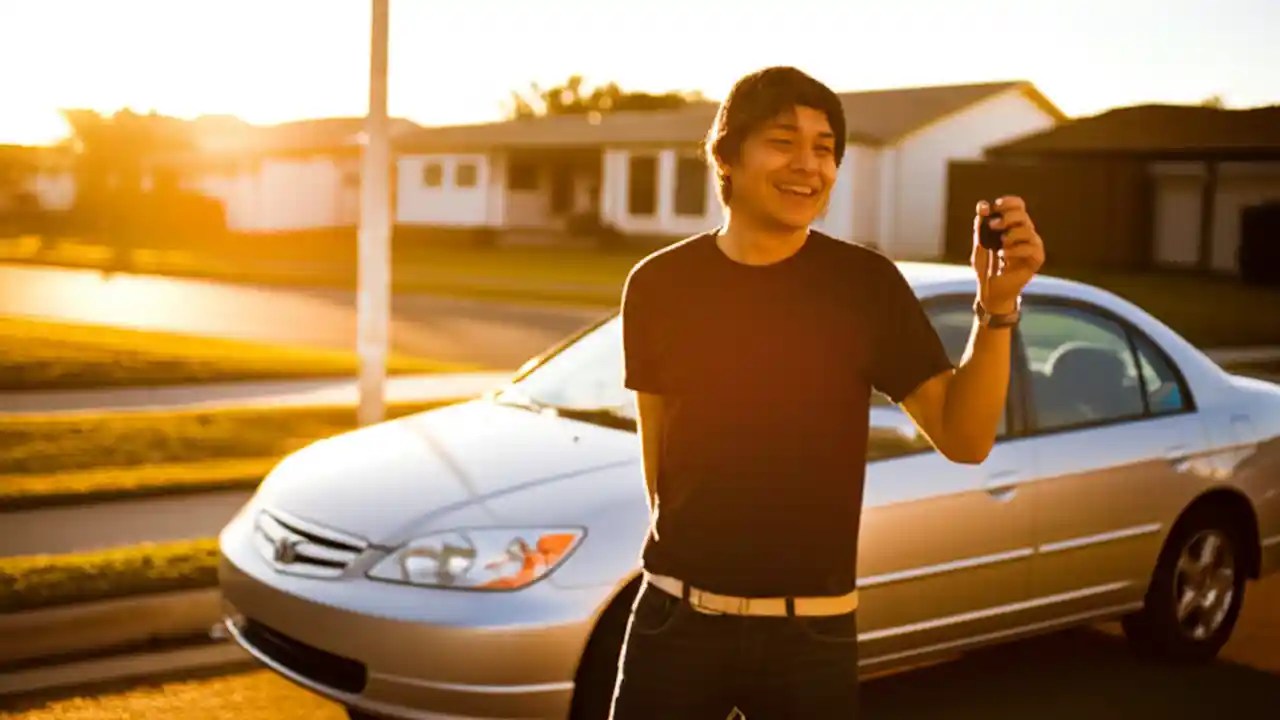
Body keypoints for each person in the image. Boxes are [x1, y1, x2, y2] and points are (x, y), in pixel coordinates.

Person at [609, 66, 1046, 718]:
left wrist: (998, 306)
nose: (809, 165)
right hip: (675, 625)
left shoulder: (865, 286)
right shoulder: (658, 285)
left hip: (809, 638)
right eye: (783, 141)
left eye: (825, 149)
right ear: (726, 154)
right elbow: (660, 464)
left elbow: (964, 436)